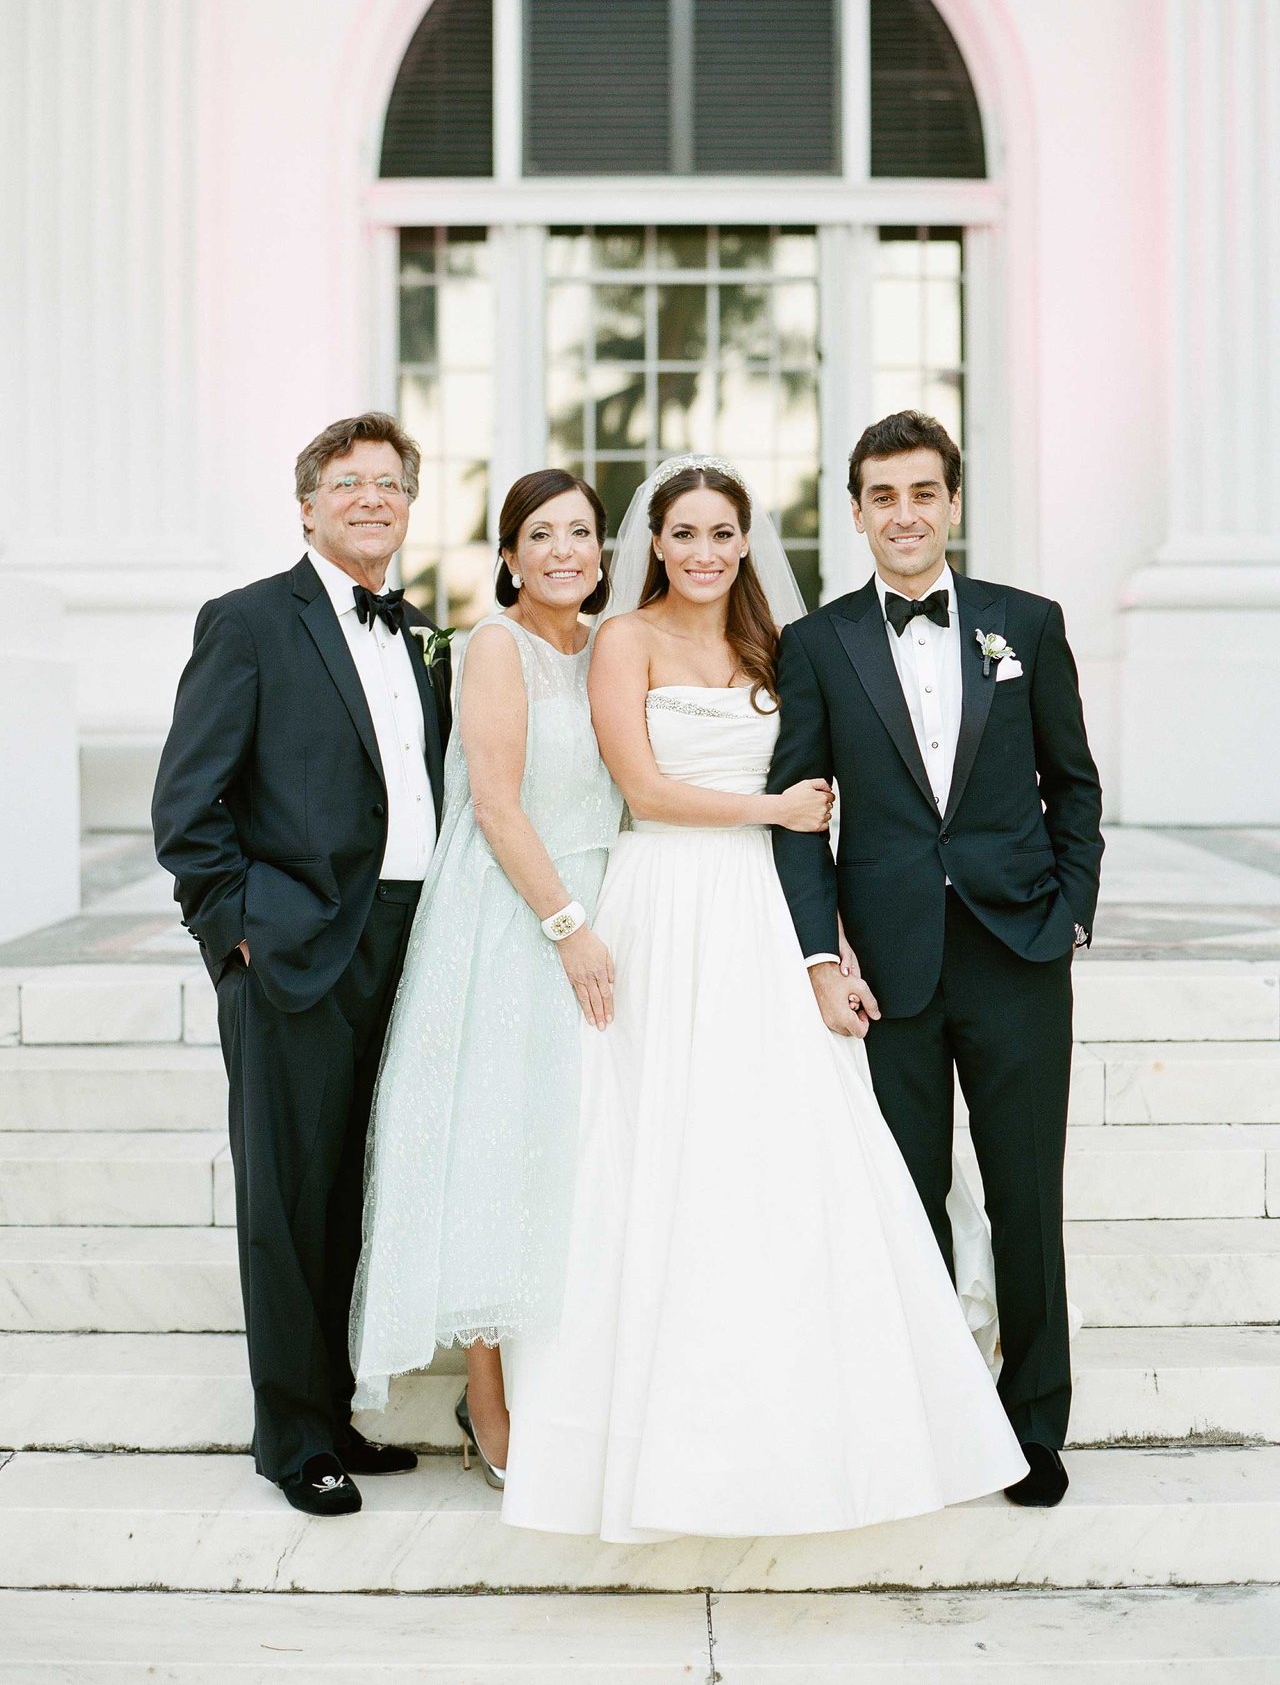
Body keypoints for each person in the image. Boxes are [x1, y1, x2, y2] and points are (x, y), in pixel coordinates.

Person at [500, 454, 1025, 1544]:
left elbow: (818, 806)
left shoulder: (774, 649)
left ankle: (810, 1423)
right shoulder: (624, 639)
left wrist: (825, 944)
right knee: (655, 1147)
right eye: (682, 532)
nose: (702, 552)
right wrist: (770, 806)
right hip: (663, 902)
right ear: (654, 541)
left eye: (721, 533)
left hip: (760, 909)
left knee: (786, 1145)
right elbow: (640, 786)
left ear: (747, 542)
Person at [769, 410, 1105, 1508]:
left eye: (923, 493)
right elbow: (798, 818)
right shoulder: (816, 645)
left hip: (1015, 951)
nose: (903, 515)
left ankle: (1033, 1419)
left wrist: (1069, 913)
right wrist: (823, 953)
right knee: (905, 1196)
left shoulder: (1027, 626)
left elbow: (1074, 783)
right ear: (856, 512)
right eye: (882, 497)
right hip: (889, 968)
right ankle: (924, 1410)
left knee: (1023, 1195)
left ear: (951, 503)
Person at [152, 412, 451, 1516]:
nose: (370, 498)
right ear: (308, 503)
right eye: (347, 481)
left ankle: (337, 1410)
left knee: (356, 1190)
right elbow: (188, 806)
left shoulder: (423, 633)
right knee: (287, 1195)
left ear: (409, 505)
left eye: (389, 483)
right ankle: (293, 1438)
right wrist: (235, 930)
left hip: (409, 940)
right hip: (289, 946)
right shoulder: (245, 622)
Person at [349, 470, 623, 1488]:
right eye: (539, 534)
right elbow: (500, 806)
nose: (562, 550)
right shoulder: (492, 647)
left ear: (602, 552)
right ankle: (488, 1397)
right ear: (508, 555)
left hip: (604, 898)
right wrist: (567, 927)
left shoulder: (608, 644)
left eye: (579, 533)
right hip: (514, 918)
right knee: (500, 1142)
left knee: (577, 1148)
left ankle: (575, 1372)